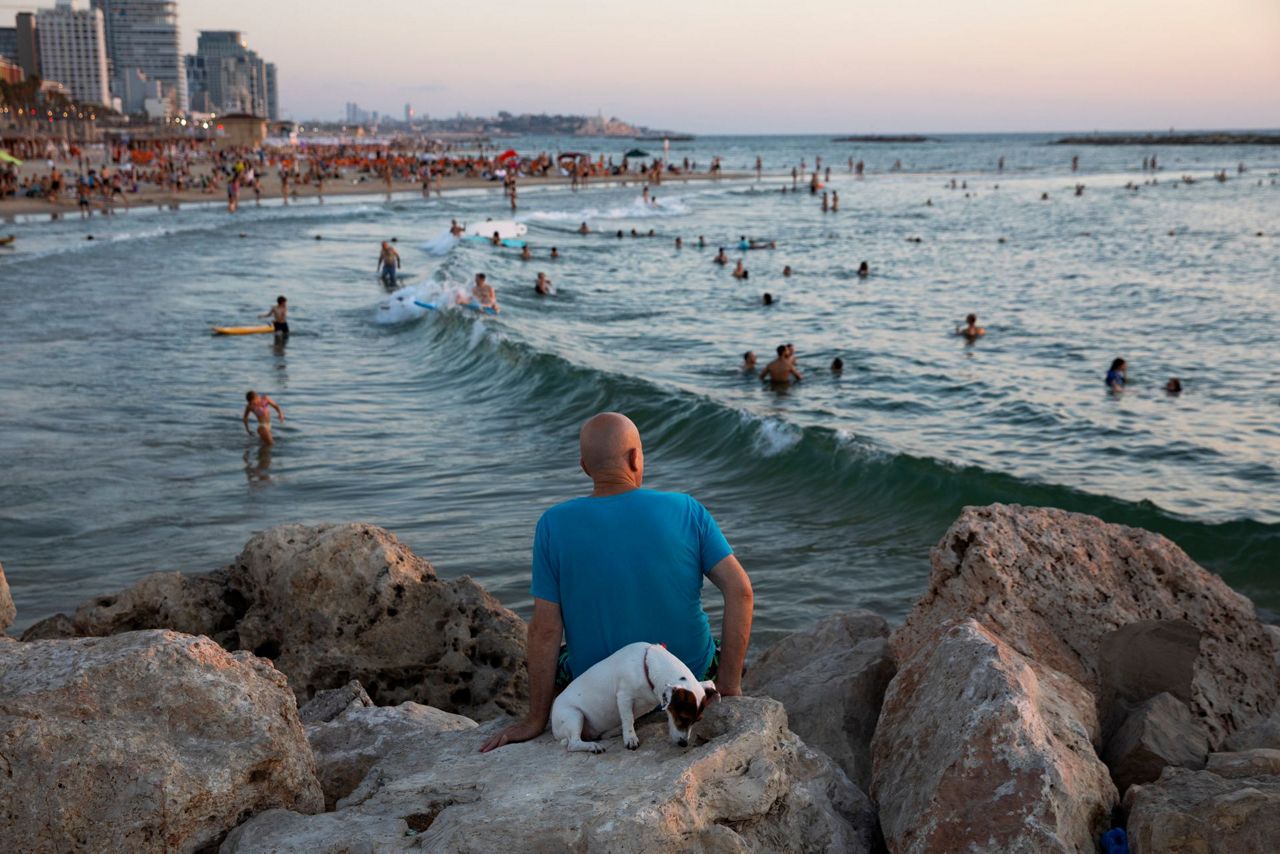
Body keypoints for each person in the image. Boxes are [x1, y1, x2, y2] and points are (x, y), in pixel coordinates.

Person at [478, 412, 754, 752]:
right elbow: (740, 592)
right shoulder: (687, 510)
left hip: (605, 694)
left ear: (584, 467)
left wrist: (536, 719)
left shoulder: (553, 524)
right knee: (715, 648)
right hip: (689, 676)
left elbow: (546, 629)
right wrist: (729, 687)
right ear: (636, 458)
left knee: (564, 659)